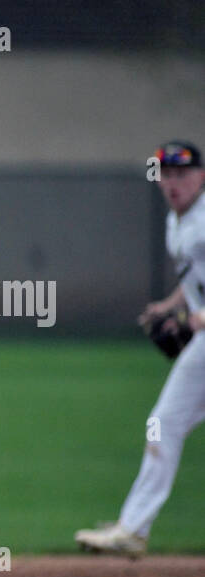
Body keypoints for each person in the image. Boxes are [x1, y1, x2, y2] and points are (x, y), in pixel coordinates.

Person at [76, 140, 205, 556]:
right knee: (164, 423)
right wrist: (171, 306)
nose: (173, 182)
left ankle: (133, 527)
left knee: (164, 423)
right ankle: (133, 527)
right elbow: (195, 281)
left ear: (201, 176)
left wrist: (197, 320)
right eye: (165, 174)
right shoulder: (178, 220)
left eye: (182, 174)